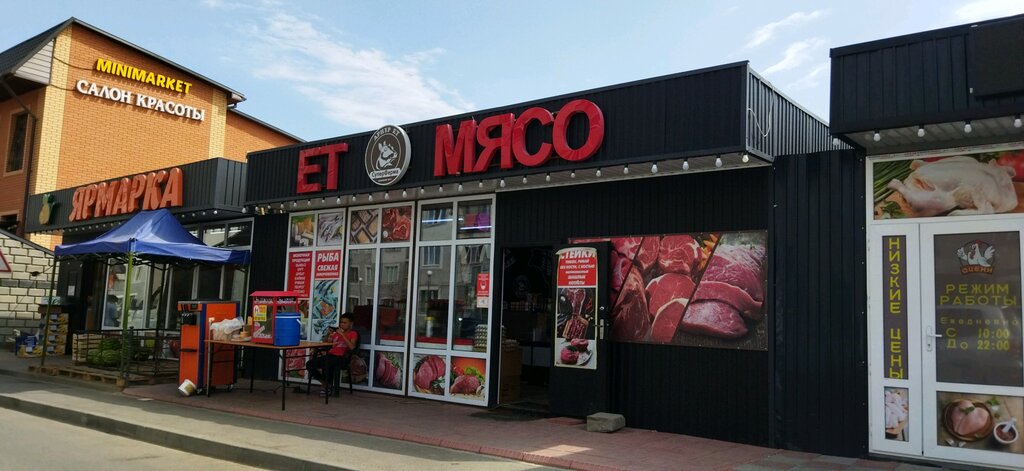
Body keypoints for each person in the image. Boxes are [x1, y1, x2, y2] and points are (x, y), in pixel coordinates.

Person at [306, 312, 358, 396]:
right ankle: (326, 383)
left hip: (341, 357)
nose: (342, 324)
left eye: (345, 323)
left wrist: (343, 335)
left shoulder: (353, 333)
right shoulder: (336, 333)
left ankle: (325, 387)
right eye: (341, 322)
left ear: (351, 324)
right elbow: (326, 343)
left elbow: (352, 347)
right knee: (310, 364)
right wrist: (328, 334)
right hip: (331, 355)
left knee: (327, 363)